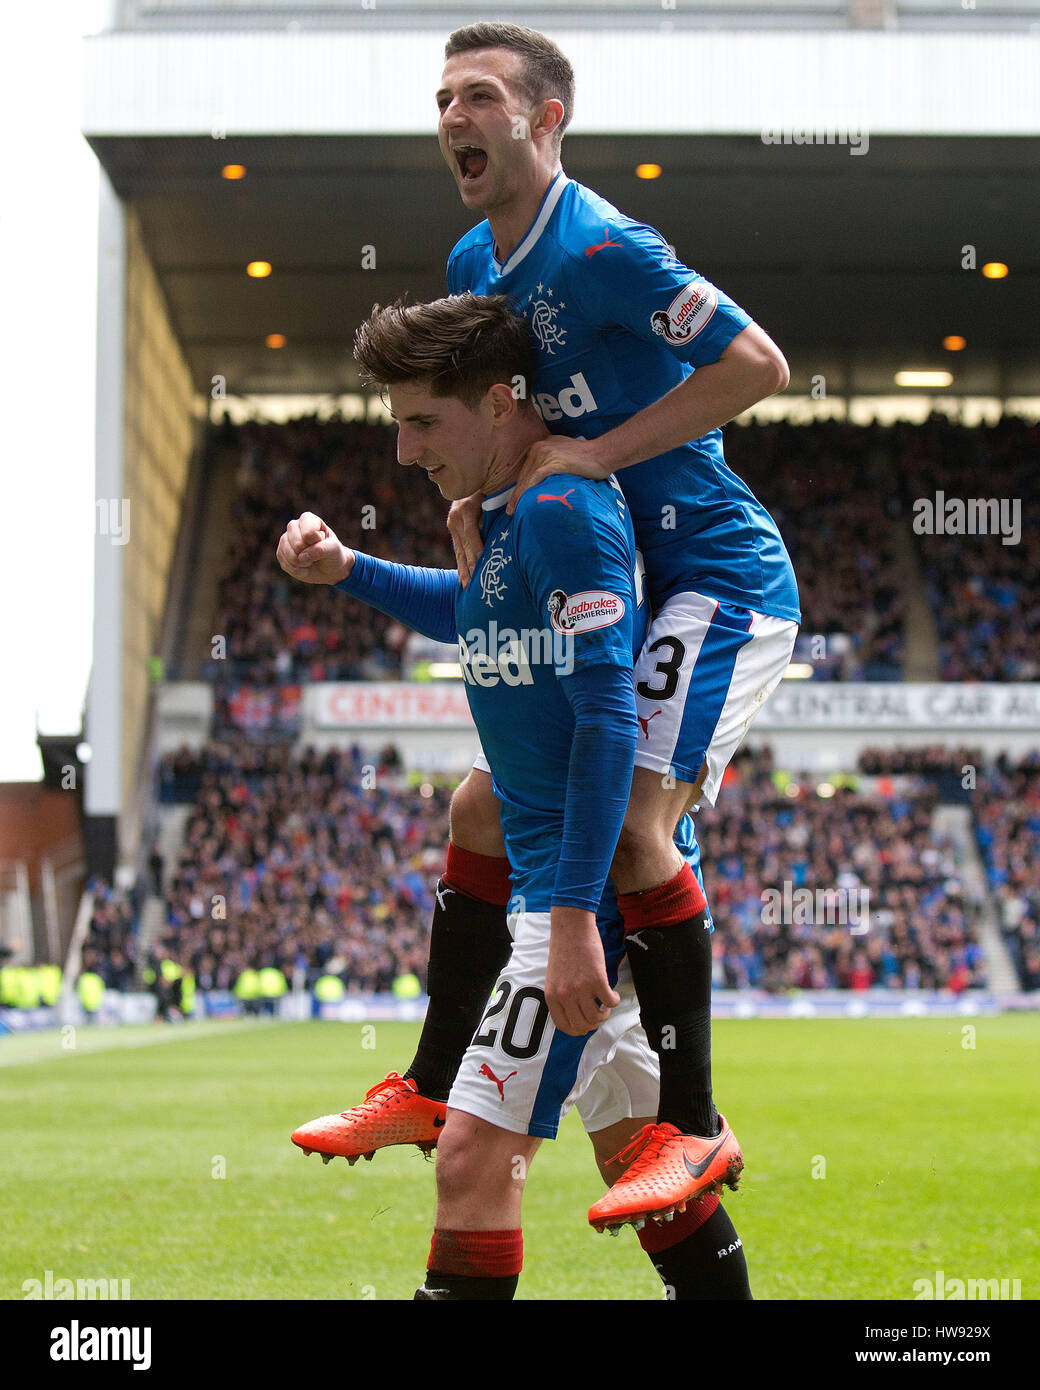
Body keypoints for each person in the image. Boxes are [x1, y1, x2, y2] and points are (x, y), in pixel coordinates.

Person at [293, 23, 798, 1234]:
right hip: (602, 559)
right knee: (478, 808)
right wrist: (481, 507)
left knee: (626, 818)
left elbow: (759, 364)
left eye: (480, 96)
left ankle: (695, 1120)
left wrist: (590, 455)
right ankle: (435, 1079)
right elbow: (488, 408)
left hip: (714, 577)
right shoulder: (476, 252)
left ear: (545, 118)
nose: (453, 118)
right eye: (441, 99)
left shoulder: (608, 244)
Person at [281, 294, 749, 1299]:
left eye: (422, 423)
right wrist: (347, 569)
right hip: (570, 895)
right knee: (649, 1176)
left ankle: (426, 1085)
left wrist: (576, 918)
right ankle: (426, 1080)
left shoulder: (560, 510)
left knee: (470, 1164)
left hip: (572, 907)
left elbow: (607, 719)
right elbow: (473, 615)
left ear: (499, 403)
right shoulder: (502, 513)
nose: (403, 454)